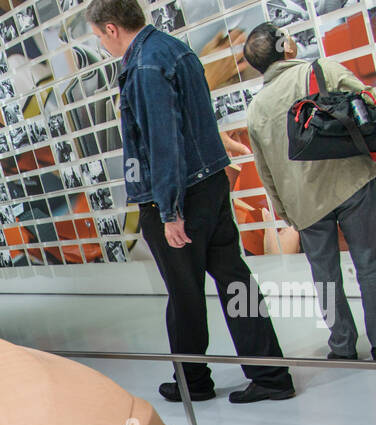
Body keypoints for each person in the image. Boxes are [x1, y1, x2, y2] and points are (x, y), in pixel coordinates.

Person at [87, 0, 295, 403]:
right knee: (236, 280)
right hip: (210, 184)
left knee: (184, 295)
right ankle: (271, 375)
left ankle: (193, 382)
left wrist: (169, 211)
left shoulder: (145, 66)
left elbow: (163, 144)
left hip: (178, 196)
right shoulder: (174, 49)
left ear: (112, 28)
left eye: (98, 37)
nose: (102, 45)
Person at [243, 24, 376, 362]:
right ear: (285, 46)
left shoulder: (256, 109)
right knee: (369, 263)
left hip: (305, 201)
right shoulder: (321, 70)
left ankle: (342, 346)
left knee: (324, 276)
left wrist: (283, 208)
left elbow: (264, 168)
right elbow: (373, 102)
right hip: (350, 181)